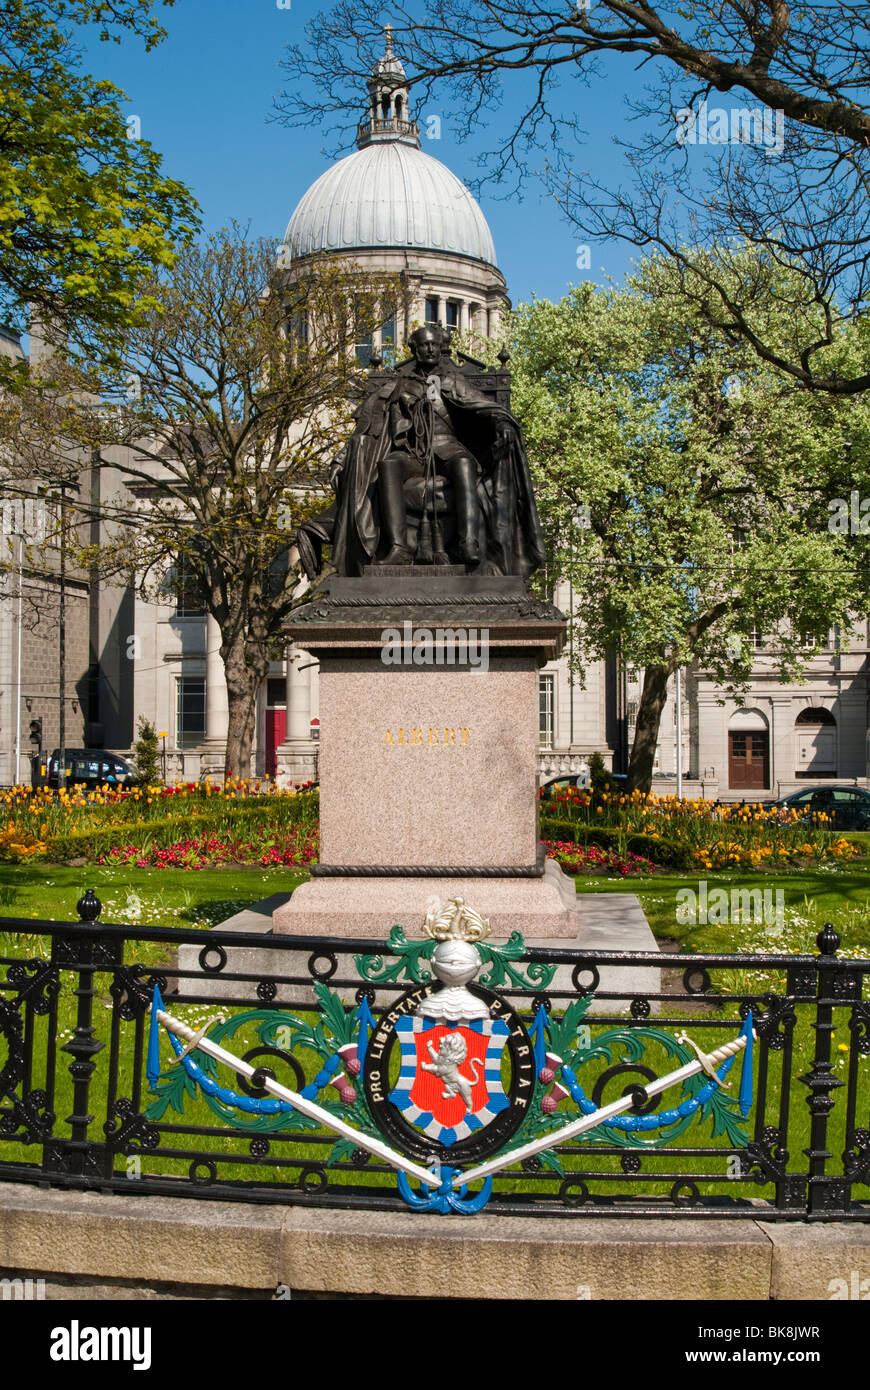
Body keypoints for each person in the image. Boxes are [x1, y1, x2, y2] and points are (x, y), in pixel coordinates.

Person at [296, 326, 545, 578]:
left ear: (440, 349)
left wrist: (502, 424)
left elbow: (488, 409)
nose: (430, 349)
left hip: (449, 448)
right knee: (389, 464)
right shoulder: (396, 387)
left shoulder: (452, 382)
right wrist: (342, 459)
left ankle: (468, 542)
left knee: (464, 465)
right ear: (414, 350)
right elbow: (366, 430)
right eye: (424, 345)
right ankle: (398, 548)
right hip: (413, 453)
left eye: (434, 345)